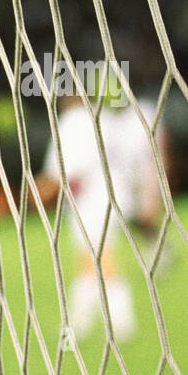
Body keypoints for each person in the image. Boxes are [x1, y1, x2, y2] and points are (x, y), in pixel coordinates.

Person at [35, 71, 167, 343]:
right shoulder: (104, 118)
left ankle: (122, 320)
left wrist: (33, 192)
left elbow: (63, 170)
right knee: (88, 261)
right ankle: (80, 320)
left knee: (102, 259)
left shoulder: (74, 122)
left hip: (94, 200)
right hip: (114, 195)